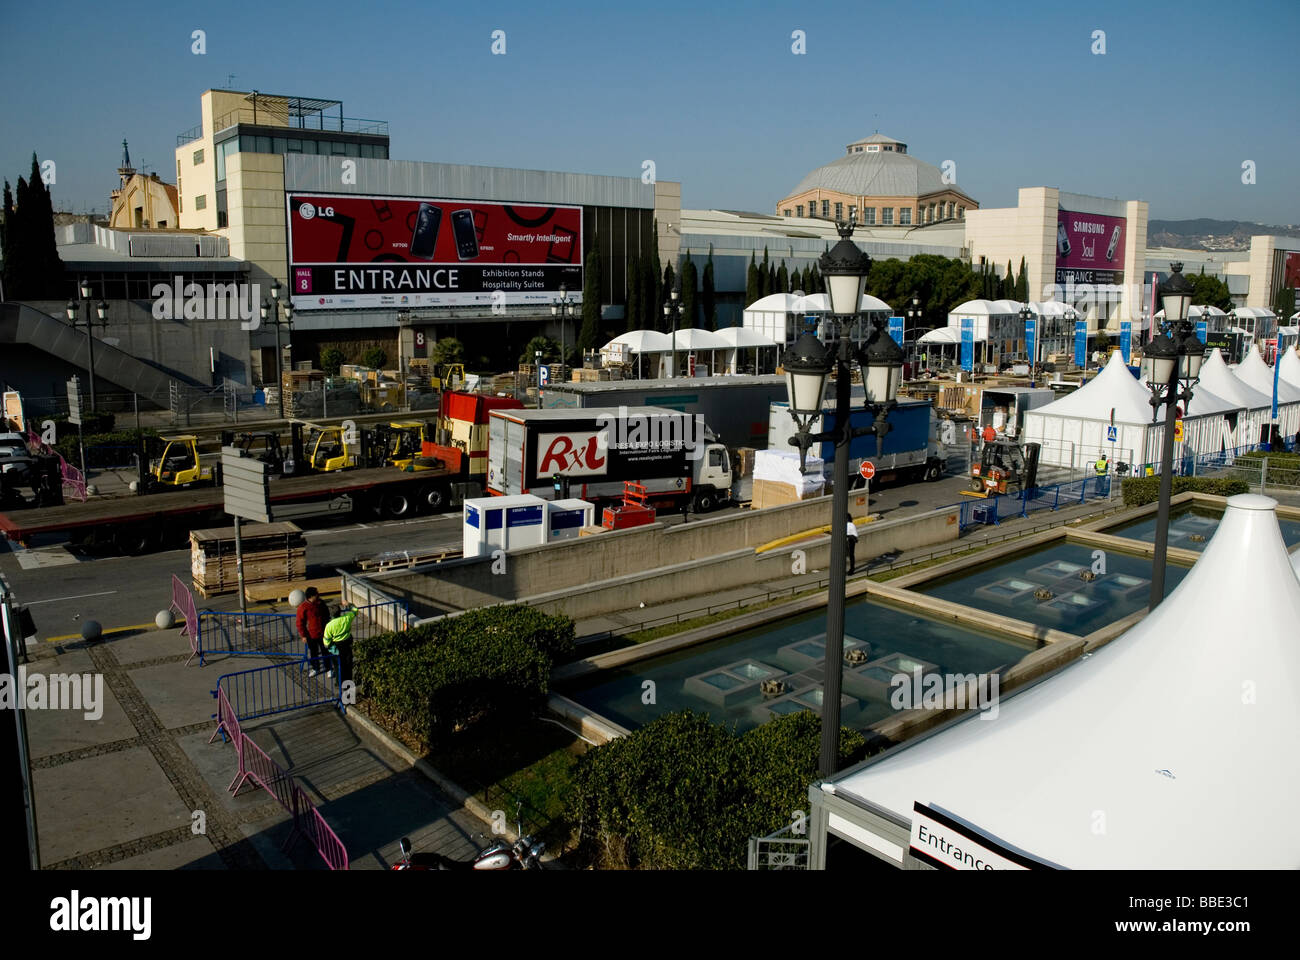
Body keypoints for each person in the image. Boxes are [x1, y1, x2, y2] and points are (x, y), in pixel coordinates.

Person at [295, 587, 329, 677]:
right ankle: (315, 668)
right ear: (311, 596)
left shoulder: (321, 603)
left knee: (325, 651)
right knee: (314, 653)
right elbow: (299, 623)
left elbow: (327, 614)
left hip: (323, 632)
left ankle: (329, 668)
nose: (318, 595)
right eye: (316, 594)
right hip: (311, 635)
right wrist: (303, 635)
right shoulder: (303, 607)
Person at [323, 603, 359, 684]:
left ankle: (339, 682)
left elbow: (326, 641)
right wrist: (348, 604)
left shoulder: (329, 625)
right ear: (340, 612)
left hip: (337, 647)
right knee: (348, 664)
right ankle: (349, 681)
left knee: (338, 666)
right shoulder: (347, 618)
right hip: (347, 644)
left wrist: (329, 647)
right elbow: (355, 610)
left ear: (330, 614)